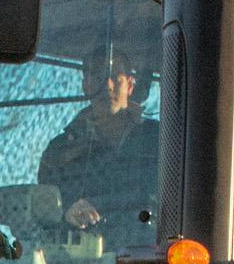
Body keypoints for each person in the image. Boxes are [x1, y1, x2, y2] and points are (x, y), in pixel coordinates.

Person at [36, 40, 158, 249]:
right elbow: (42, 217)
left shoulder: (159, 140)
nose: (106, 86)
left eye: (114, 77)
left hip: (146, 263)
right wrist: (67, 214)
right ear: (85, 86)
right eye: (97, 77)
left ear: (130, 85)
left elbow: (172, 204)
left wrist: (103, 206)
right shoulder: (59, 151)